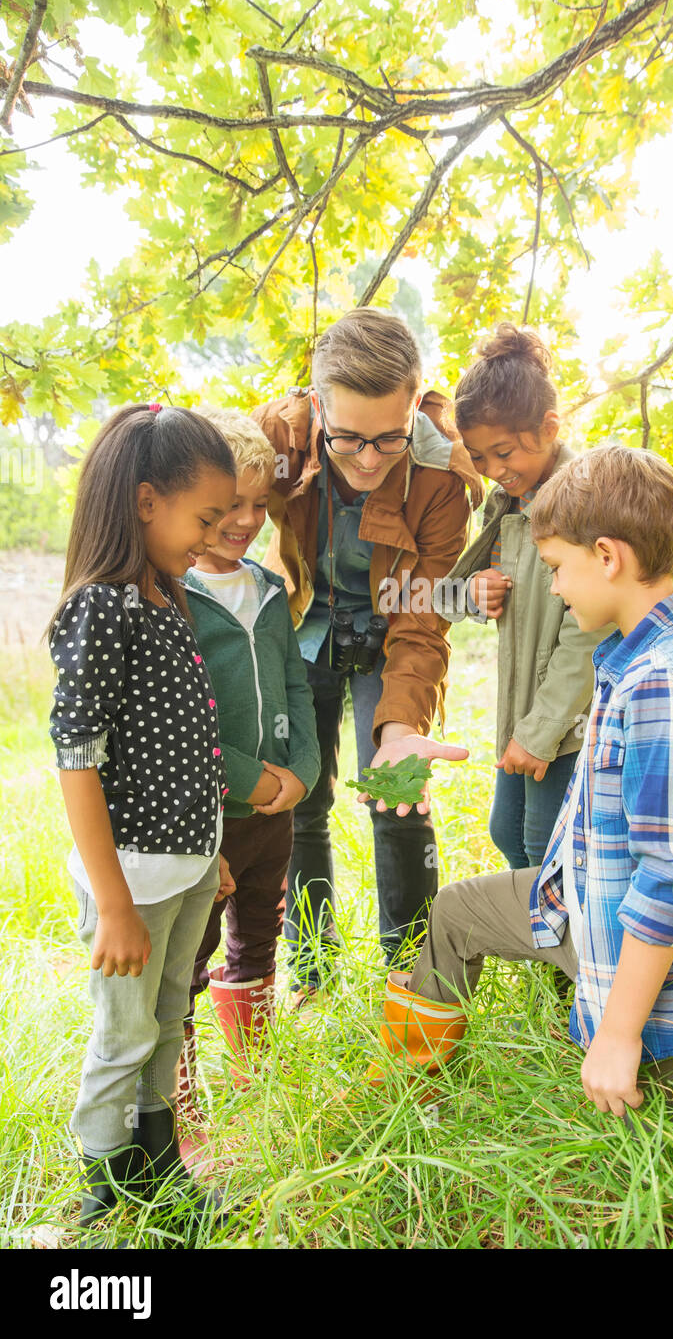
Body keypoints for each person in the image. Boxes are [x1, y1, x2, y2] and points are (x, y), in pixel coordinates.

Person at [369, 444, 673, 1126]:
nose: (554, 588)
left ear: (607, 557)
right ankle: (410, 1092)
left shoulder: (663, 681)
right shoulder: (637, 655)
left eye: (556, 569)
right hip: (581, 904)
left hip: (637, 963)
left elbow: (670, 877)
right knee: (454, 913)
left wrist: (619, 1035)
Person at [253, 307, 482, 1005]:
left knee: (397, 794)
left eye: (390, 438)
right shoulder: (279, 437)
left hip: (390, 638)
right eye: (349, 439)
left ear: (415, 402)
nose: (370, 460)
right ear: (319, 406)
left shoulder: (444, 479)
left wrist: (402, 725)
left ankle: (412, 973)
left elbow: (423, 615)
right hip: (301, 633)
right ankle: (313, 972)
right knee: (300, 800)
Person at [48, 401, 239, 1231]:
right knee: (123, 1034)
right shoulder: (103, 609)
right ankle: (105, 1185)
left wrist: (212, 852)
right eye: (205, 516)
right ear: (146, 501)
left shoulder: (167, 601)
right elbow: (76, 762)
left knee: (169, 1018)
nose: (215, 533)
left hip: (187, 865)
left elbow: (187, 745)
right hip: (131, 879)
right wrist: (114, 904)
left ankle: (160, 1163)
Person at [178, 408, 320, 1115]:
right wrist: (246, 778)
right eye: (230, 505)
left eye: (259, 505)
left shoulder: (268, 589)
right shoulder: (175, 594)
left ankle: (252, 1073)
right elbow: (181, 721)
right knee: (189, 952)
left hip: (277, 810)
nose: (246, 520)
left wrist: (303, 773)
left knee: (260, 932)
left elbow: (296, 683)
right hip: (212, 814)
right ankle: (178, 1093)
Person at [435, 323, 602, 867]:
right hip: (521, 711)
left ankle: (564, 952)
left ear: (549, 427)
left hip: (569, 722)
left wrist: (539, 734)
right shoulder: (506, 505)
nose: (493, 471)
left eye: (502, 452)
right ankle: (538, 945)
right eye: (479, 459)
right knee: (508, 833)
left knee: (544, 846)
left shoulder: (582, 503)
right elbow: (446, 597)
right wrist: (473, 594)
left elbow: (586, 643)